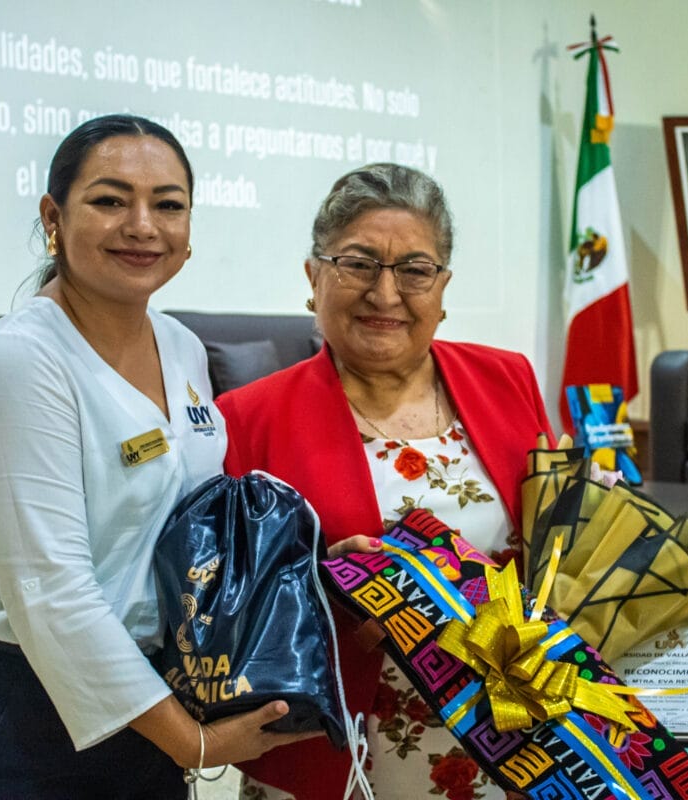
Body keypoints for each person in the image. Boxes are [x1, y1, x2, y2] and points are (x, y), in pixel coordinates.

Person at [0, 114, 312, 799]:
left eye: (169, 205)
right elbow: (51, 590)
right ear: (53, 217)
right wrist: (190, 742)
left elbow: (192, 526)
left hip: (151, 701)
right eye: (109, 200)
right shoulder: (19, 362)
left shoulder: (181, 347)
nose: (142, 226)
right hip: (23, 714)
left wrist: (312, 561)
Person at [217, 163, 554, 799]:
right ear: (314, 277)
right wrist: (321, 590)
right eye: (358, 264)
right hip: (332, 748)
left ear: (443, 286)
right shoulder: (247, 418)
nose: (385, 292)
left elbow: (551, 541)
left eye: (415, 270)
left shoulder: (508, 380)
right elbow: (221, 602)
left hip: (506, 741)